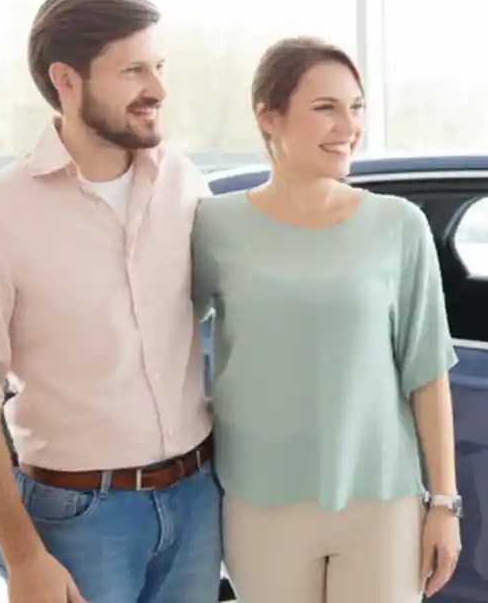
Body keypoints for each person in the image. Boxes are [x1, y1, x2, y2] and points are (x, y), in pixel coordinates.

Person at [0, 0, 220, 603]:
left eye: (160, 67)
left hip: (197, 500)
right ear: (67, 80)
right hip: (79, 516)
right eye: (134, 70)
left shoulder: (184, 183)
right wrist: (23, 558)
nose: (159, 90)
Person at [191, 36, 461, 602]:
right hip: (260, 501)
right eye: (326, 108)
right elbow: (164, 346)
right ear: (268, 115)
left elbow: (427, 373)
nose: (349, 125)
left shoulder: (399, 226)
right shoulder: (213, 227)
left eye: (356, 107)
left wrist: (444, 505)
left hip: (382, 503)